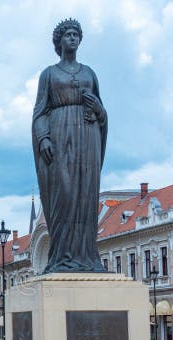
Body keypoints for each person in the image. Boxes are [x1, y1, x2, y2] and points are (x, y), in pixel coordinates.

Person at [32, 18, 107, 273]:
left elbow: (102, 110)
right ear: (59, 41)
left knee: (87, 195)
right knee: (63, 195)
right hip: (60, 134)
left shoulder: (89, 73)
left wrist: (98, 108)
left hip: (88, 136)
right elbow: (39, 112)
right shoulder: (49, 74)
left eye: (76, 34)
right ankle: (62, 257)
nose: (73, 38)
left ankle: (87, 257)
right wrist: (43, 137)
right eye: (68, 35)